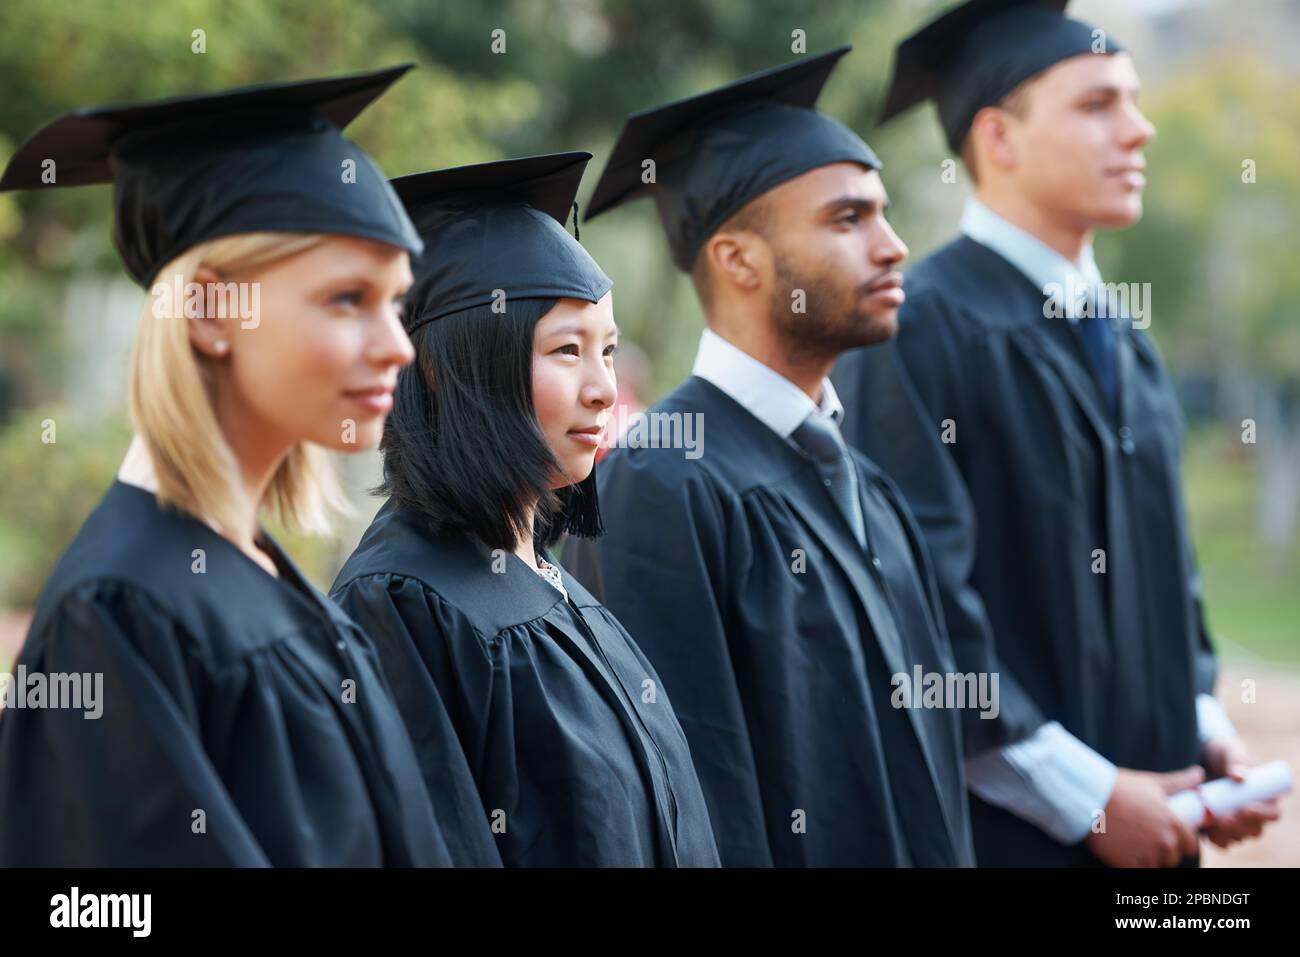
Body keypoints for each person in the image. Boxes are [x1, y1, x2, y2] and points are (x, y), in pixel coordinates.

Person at [0, 66, 498, 866]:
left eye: (397, 303)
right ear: (207, 312)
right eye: (347, 299)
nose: (398, 345)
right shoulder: (120, 612)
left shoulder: (262, 574)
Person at [833, 0, 1281, 866]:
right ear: (998, 139)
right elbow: (921, 617)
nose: (1140, 130)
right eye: (1097, 104)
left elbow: (1170, 585)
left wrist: (1207, 730)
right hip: (1012, 842)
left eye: (1135, 99)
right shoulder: (915, 332)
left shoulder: (1127, 338)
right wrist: (1093, 799)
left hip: (1164, 822)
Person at [569, 48, 975, 866]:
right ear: (739, 259)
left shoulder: (868, 487)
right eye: (848, 219)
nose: (894, 246)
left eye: (885, 213)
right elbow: (693, 800)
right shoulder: (661, 484)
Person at [329, 152, 720, 867]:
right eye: (567, 349)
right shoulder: (404, 604)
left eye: (609, 349)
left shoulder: (545, 577)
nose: (604, 387)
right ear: (453, 366)